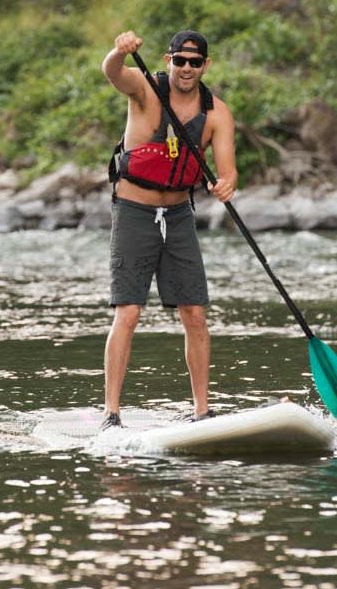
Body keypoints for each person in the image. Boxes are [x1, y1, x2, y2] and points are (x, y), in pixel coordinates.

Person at [100, 29, 238, 429]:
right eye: (180, 60)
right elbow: (112, 73)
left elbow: (228, 171)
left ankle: (201, 411)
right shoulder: (145, 89)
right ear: (168, 60)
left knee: (194, 313)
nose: (187, 69)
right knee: (128, 311)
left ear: (205, 65)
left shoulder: (217, 113)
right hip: (133, 212)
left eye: (195, 62)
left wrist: (226, 184)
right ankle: (111, 413)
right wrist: (117, 51)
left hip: (179, 217)